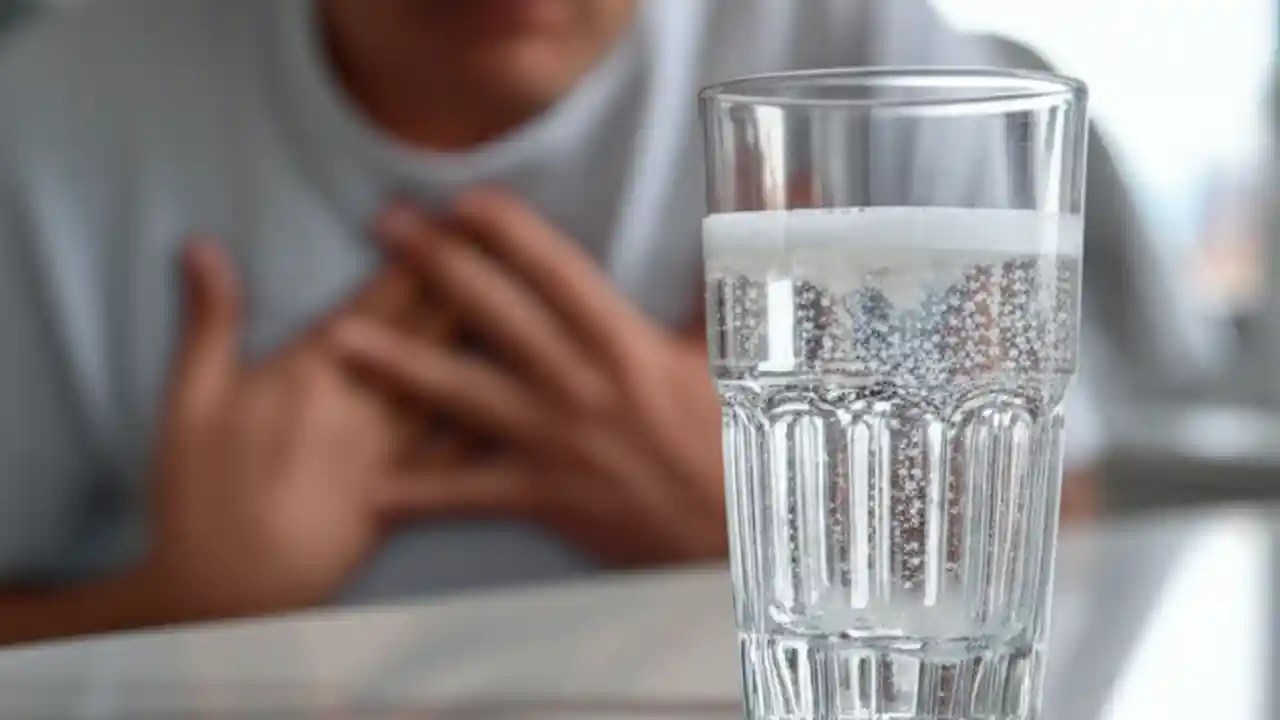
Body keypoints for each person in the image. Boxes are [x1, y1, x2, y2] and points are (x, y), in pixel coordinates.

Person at [0, 0, 1108, 645]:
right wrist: (180, 605)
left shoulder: (877, 65)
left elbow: (1067, 530)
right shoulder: (56, 108)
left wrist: (761, 524)